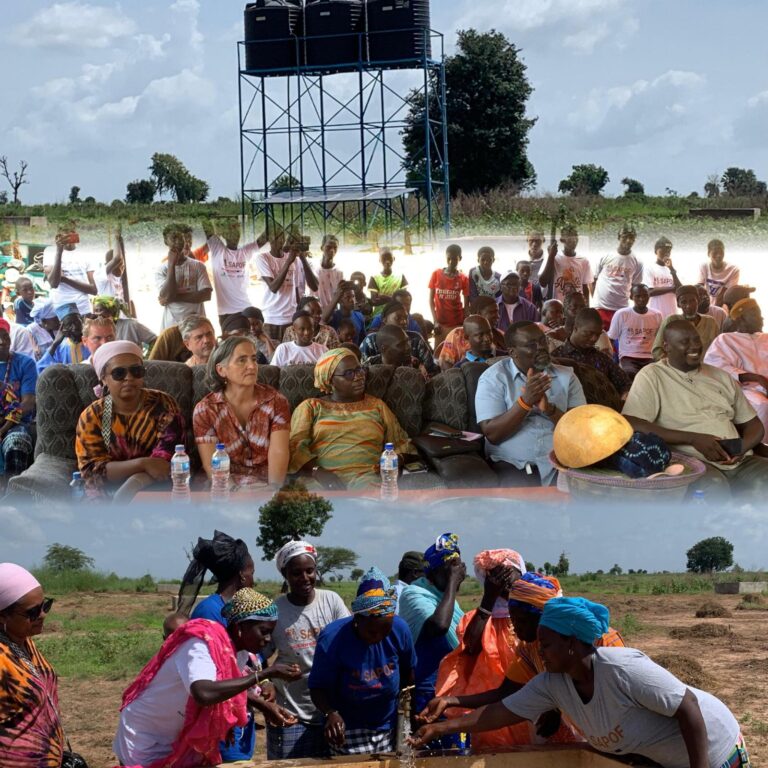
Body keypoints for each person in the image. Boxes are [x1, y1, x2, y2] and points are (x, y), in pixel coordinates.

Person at [411, 597, 750, 768]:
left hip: (713, 749)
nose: (540, 652)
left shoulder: (620, 668)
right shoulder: (553, 683)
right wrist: (441, 729)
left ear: (572, 643)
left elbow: (687, 706)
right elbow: (501, 711)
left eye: (546, 645)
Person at [421, 573, 624, 747]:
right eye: (512, 618)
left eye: (521, 621)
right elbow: (505, 695)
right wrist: (449, 701)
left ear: (545, 618)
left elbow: (624, 697)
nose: (514, 627)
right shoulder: (530, 650)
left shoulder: (603, 644)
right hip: (598, 735)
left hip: (622, 733)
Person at [114, 588, 292, 768]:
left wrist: (264, 706)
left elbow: (226, 689)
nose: (269, 639)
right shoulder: (201, 644)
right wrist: (264, 674)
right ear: (240, 628)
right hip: (146, 735)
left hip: (176, 734)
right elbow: (204, 693)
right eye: (264, 631)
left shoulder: (239, 653)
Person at [622, 319, 768, 501]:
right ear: (667, 347)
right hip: (687, 459)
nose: (694, 347)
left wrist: (741, 448)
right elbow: (633, 421)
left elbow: (754, 425)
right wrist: (693, 438)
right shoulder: (652, 375)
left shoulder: (721, 377)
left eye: (696, 340)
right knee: (714, 490)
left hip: (738, 459)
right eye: (685, 342)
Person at [308, 567, 415, 755]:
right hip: (347, 727)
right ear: (356, 619)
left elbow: (409, 674)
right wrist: (330, 713)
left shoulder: (400, 629)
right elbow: (317, 687)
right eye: (372, 632)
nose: (379, 637)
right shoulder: (332, 639)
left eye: (386, 631)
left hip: (386, 724)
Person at [433, 550, 531, 749]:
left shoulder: (533, 612)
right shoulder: (477, 619)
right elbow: (469, 648)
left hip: (534, 705)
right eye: (495, 576)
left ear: (521, 572)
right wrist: (489, 598)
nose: (504, 581)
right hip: (492, 708)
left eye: (508, 573)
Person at [266, 540, 350, 759]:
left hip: (332, 711)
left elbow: (350, 642)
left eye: (309, 571)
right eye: (296, 573)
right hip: (292, 713)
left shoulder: (331, 601)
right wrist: (265, 681)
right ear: (285, 573)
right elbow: (258, 653)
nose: (304, 578)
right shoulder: (276, 611)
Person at [475, 321, 586, 486]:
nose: (541, 347)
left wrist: (550, 410)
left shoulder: (567, 377)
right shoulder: (493, 378)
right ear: (513, 352)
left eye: (543, 341)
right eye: (531, 345)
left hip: (560, 463)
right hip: (513, 463)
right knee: (524, 506)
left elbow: (580, 430)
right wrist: (525, 403)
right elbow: (492, 434)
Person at [288, 348, 416, 489]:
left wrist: (397, 460)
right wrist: (317, 472)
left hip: (366, 478)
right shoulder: (311, 407)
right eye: (349, 373)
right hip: (319, 479)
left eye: (359, 369)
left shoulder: (377, 406)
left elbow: (401, 443)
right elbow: (296, 448)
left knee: (371, 504)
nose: (359, 376)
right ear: (330, 380)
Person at [75, 341, 186, 499]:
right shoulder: (93, 416)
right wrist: (143, 463)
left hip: (155, 488)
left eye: (136, 371)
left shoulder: (163, 405)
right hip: (104, 495)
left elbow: (163, 466)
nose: (129, 378)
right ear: (104, 379)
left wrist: (133, 482)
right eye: (119, 373)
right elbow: (93, 472)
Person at [194, 336, 290, 488]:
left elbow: (279, 452)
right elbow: (211, 464)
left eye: (254, 359)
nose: (252, 366)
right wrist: (236, 493)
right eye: (242, 360)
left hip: (267, 484)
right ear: (221, 370)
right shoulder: (206, 410)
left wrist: (273, 492)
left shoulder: (276, 402)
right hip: (225, 486)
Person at [398, 533, 466, 749]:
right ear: (434, 571)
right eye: (450, 568)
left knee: (458, 752)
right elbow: (439, 626)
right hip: (429, 693)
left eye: (458, 566)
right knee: (433, 753)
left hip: (455, 691)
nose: (458, 572)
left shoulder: (444, 597)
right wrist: (452, 584)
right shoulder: (414, 594)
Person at [0, 562, 65, 767]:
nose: (43, 615)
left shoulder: (23, 640)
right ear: (2, 616)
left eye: (45, 605)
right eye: (32, 612)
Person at [703, 298, 768, 437]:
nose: (761, 318)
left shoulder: (765, 338)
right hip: (745, 390)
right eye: (756, 314)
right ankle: (761, 446)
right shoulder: (725, 339)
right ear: (741, 319)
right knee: (762, 405)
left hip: (766, 386)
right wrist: (757, 378)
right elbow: (716, 367)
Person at [554, 308, 632, 398]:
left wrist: (625, 394)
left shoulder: (602, 358)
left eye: (598, 335)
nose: (594, 339)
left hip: (602, 409)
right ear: (575, 328)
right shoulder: (557, 356)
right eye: (589, 333)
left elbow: (625, 383)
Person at [255, 231, 319, 340]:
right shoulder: (263, 258)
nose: (279, 240)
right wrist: (288, 261)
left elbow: (310, 286)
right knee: (272, 355)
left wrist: (302, 257)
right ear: (269, 240)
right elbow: (274, 287)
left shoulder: (294, 258)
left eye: (281, 237)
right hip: (272, 318)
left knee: (291, 354)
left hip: (290, 318)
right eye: (275, 237)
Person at [155, 223, 213, 331]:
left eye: (183, 238)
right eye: (174, 238)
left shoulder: (198, 265)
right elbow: (166, 295)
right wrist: (171, 265)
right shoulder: (162, 268)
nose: (179, 242)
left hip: (197, 326)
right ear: (167, 242)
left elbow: (206, 294)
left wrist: (173, 298)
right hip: (172, 325)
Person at [202, 217, 260, 323]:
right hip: (225, 311)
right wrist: (216, 220)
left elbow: (266, 237)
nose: (235, 235)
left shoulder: (245, 252)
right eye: (231, 232)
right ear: (224, 235)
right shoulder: (217, 248)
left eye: (237, 232)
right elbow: (206, 224)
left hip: (245, 308)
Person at [0, 321, 37, 481]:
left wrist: (4, 421)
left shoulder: (25, 363)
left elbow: (28, 403)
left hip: (16, 424)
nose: (2, 341)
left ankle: (12, 496)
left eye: (5, 336)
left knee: (16, 442)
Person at [359, 301, 437, 374]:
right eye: (398, 318)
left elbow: (431, 369)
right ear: (384, 320)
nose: (404, 322)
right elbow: (361, 371)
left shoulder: (416, 338)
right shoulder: (371, 341)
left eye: (406, 318)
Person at [591, 224, 643, 330]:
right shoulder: (605, 256)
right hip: (601, 307)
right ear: (619, 237)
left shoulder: (637, 262)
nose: (628, 240)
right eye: (625, 237)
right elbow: (592, 280)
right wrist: (596, 300)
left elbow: (635, 287)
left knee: (619, 343)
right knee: (600, 340)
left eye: (631, 237)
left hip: (622, 308)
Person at [652, 285, 719, 361]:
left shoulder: (710, 322)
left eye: (692, 301)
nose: (688, 306)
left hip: (704, 369)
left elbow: (718, 350)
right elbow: (657, 350)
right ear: (678, 304)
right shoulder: (671, 320)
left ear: (698, 301)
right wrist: (670, 367)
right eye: (684, 302)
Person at [607, 284, 662, 377]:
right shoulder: (622, 314)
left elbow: (660, 340)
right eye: (638, 296)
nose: (642, 299)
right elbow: (611, 339)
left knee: (655, 376)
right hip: (628, 357)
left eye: (645, 295)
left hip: (650, 357)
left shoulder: (657, 315)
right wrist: (611, 360)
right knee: (630, 374)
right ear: (631, 297)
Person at [438, 296, 506, 371]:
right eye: (492, 312)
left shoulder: (500, 335)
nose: (498, 316)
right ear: (478, 313)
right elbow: (445, 362)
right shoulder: (457, 334)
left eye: (488, 332)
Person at [43, 224, 96, 316]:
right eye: (65, 235)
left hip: (83, 308)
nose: (68, 238)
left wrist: (65, 279)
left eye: (71, 234)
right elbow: (54, 283)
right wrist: (59, 252)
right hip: (62, 309)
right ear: (58, 237)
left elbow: (94, 290)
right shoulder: (50, 251)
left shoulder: (86, 254)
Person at [538, 224, 593, 304]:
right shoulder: (553, 257)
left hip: (576, 307)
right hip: (558, 306)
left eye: (575, 236)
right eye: (569, 237)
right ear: (562, 240)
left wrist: (586, 309)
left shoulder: (584, 261)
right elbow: (543, 281)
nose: (574, 240)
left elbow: (585, 288)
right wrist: (551, 256)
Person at [429, 244, 469, 344]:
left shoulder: (463, 278)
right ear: (446, 257)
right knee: (438, 355)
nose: (451, 262)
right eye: (449, 258)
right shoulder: (436, 274)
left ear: (460, 258)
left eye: (455, 259)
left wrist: (464, 324)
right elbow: (430, 300)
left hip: (456, 323)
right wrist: (435, 321)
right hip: (440, 324)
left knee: (456, 353)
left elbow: (466, 304)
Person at [36, 304, 89, 373]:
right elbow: (41, 370)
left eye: (76, 322)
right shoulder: (59, 348)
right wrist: (55, 344)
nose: (74, 327)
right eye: (69, 324)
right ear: (62, 328)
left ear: (82, 321)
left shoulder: (92, 341)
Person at [364, 324, 429, 379]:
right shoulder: (368, 368)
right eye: (400, 345)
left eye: (407, 341)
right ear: (383, 348)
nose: (408, 347)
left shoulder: (414, 364)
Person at [92, 294, 157, 349]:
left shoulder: (131, 325)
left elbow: (155, 340)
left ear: (112, 312)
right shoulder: (95, 330)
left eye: (100, 310)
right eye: (96, 310)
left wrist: (149, 358)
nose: (98, 314)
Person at [643, 236, 681, 318]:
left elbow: (680, 291)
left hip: (672, 314)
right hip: (655, 314)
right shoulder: (649, 268)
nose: (666, 252)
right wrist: (671, 289)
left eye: (668, 250)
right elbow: (650, 291)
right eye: (663, 250)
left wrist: (671, 269)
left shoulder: (672, 269)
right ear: (656, 251)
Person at [368, 248, 408, 318]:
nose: (387, 261)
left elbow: (404, 299)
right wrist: (394, 299)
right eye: (384, 258)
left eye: (389, 258)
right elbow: (374, 301)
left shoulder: (400, 277)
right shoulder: (375, 278)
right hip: (379, 315)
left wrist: (386, 298)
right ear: (379, 260)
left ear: (394, 258)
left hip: (397, 314)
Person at [699, 238, 740, 306]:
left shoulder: (733, 270)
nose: (719, 255)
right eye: (715, 253)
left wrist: (715, 311)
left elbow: (726, 294)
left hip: (723, 306)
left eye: (721, 252)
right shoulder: (704, 267)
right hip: (706, 306)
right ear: (708, 253)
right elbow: (699, 287)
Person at [316, 234, 344, 314]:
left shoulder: (339, 272)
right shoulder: (314, 269)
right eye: (328, 247)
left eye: (335, 248)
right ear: (322, 248)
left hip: (332, 313)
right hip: (316, 313)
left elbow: (340, 297)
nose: (332, 250)